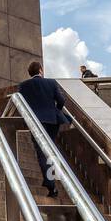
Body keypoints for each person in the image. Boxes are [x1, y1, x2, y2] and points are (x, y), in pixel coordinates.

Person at [14, 60, 67, 197]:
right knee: (50, 149)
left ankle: (51, 185)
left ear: (30, 72)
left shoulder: (23, 86)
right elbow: (61, 100)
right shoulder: (51, 82)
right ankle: (52, 180)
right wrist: (55, 111)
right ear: (41, 70)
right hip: (52, 120)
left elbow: (21, 105)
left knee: (41, 151)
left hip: (36, 122)